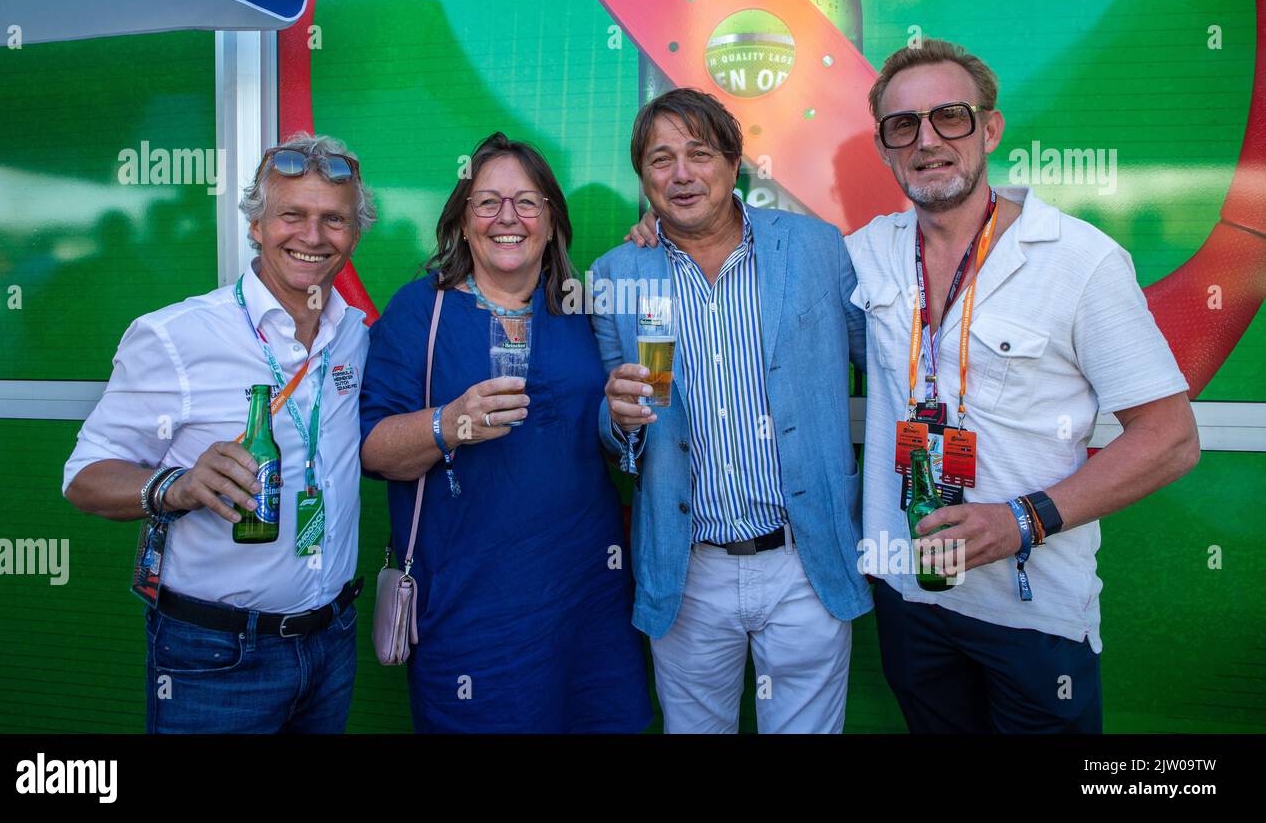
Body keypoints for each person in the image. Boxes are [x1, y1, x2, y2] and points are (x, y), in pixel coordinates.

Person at [846, 39, 1199, 732]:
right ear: (885, 146)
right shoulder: (864, 252)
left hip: (1033, 613)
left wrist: (1019, 520)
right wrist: (667, 231)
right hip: (910, 597)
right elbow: (759, 264)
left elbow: (1170, 439)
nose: (927, 141)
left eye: (949, 117)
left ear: (990, 128)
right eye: (903, 126)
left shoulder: (1081, 259)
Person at [63, 133, 374, 733]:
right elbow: (83, 479)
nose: (312, 237)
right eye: (292, 215)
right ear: (256, 225)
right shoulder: (175, 336)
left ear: (354, 235)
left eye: (333, 219)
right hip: (216, 656)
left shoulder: (353, 333)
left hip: (331, 643)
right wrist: (175, 487)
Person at [594, 88, 869, 734]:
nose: (682, 174)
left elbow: (884, 369)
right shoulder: (615, 275)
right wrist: (619, 422)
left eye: (700, 153)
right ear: (642, 176)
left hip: (806, 560)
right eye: (661, 160)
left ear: (733, 161)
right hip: (688, 569)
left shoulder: (817, 248)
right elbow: (614, 435)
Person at [359, 132, 651, 734]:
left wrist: (658, 241)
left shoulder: (582, 308)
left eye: (527, 202)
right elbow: (373, 450)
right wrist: (450, 422)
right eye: (487, 202)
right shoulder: (423, 313)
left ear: (551, 221)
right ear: (463, 223)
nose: (508, 218)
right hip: (472, 609)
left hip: (587, 598)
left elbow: (658, 317)